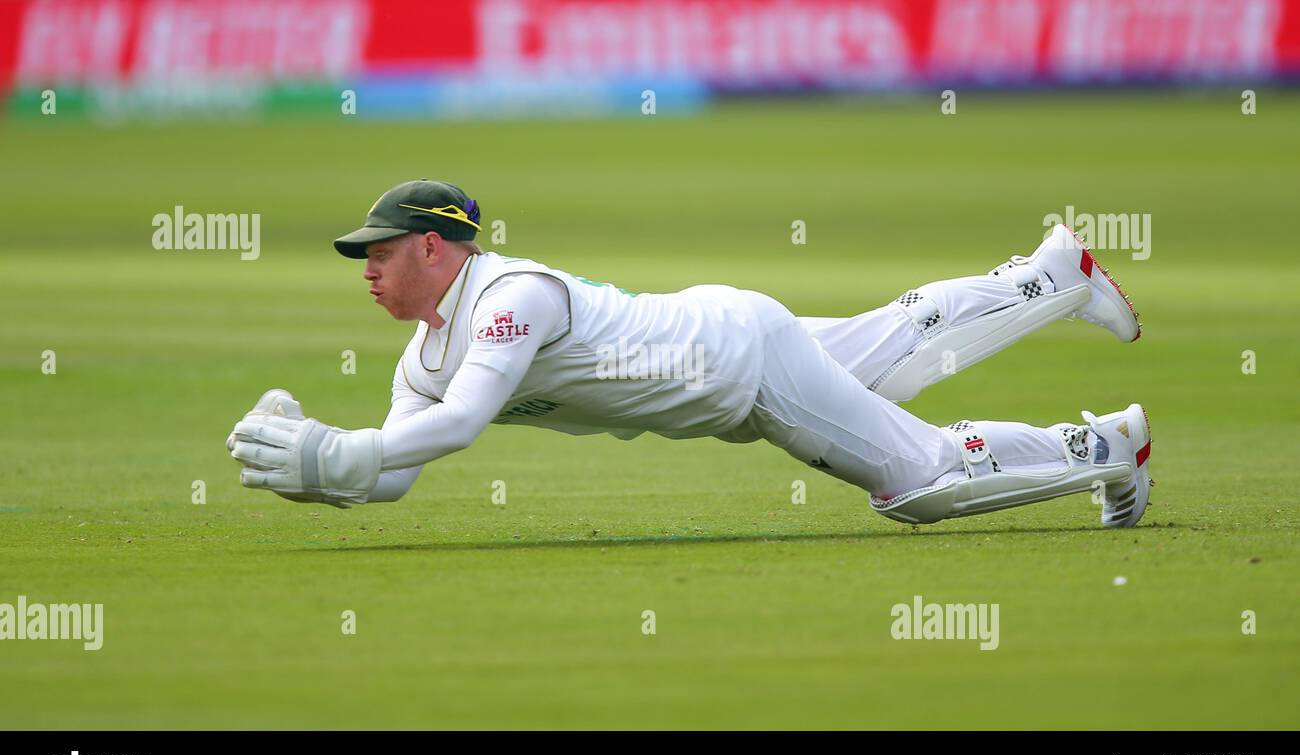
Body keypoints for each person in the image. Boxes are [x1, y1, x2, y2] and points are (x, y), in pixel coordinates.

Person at [226, 179, 1153, 528]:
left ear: (435, 248)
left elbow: (460, 427)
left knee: (919, 486)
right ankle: (1052, 275)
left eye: (379, 254)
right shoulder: (420, 361)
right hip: (732, 334)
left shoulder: (512, 296)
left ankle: (1108, 447)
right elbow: (389, 475)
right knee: (898, 343)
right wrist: (309, 462)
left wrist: (343, 447)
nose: (368, 272)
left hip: (741, 371)